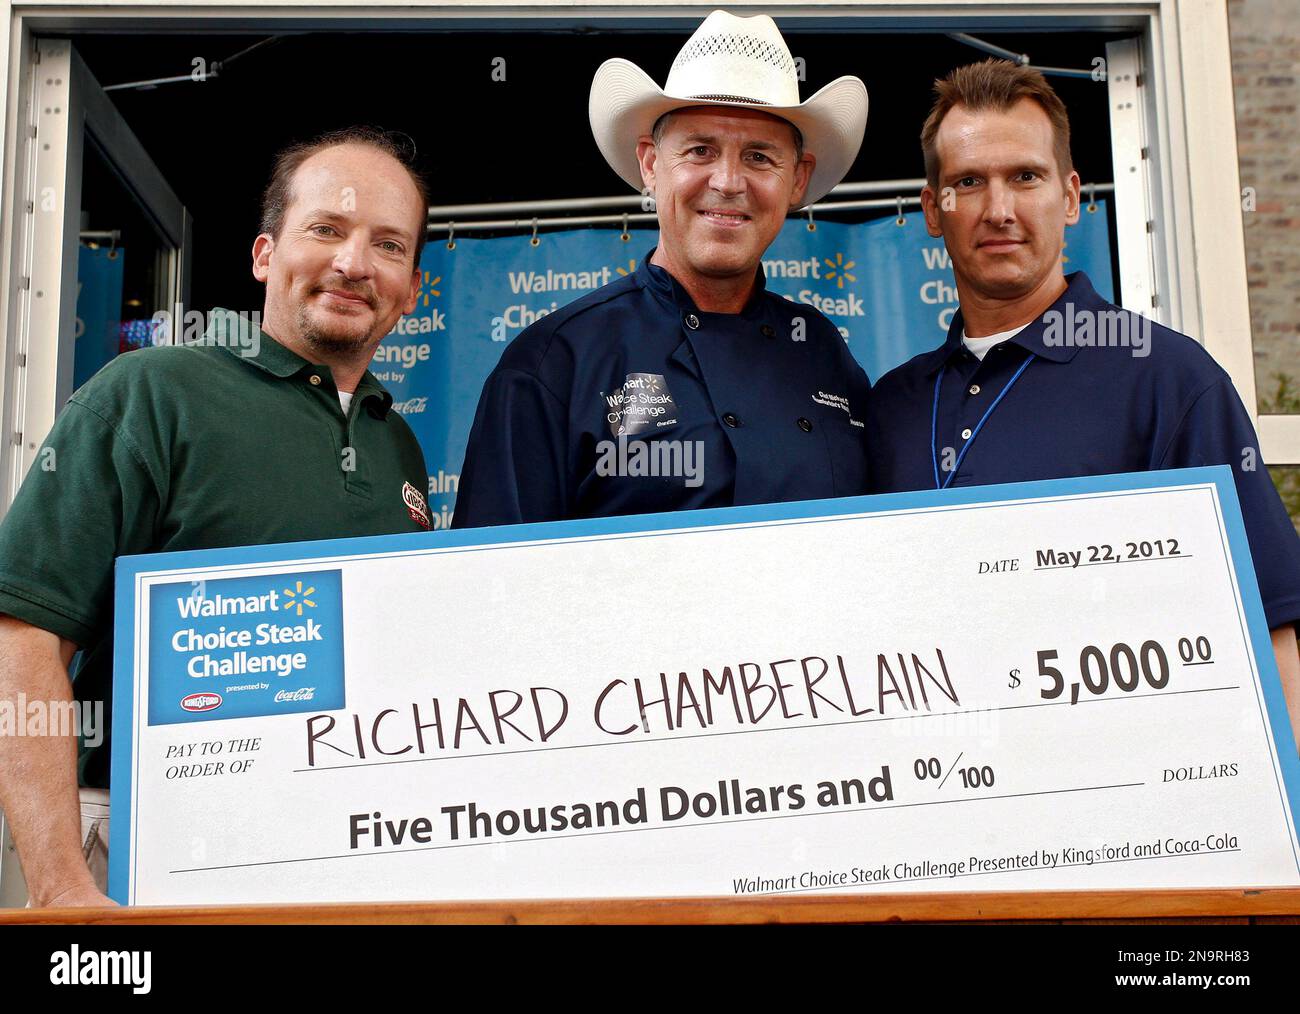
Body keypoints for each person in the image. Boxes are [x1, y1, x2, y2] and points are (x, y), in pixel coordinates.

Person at [0, 126, 435, 907]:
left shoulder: (397, 445)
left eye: (388, 246)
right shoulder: (150, 393)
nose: (353, 263)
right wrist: (63, 885)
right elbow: (21, 638)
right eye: (326, 230)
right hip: (136, 856)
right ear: (266, 255)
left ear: (409, 290)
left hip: (338, 859)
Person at [866, 60, 1300, 741]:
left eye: (1026, 177)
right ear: (932, 210)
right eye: (968, 182)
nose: (999, 209)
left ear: (1070, 197)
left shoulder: (1168, 380)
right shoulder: (890, 407)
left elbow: (1269, 629)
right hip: (939, 814)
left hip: (1118, 818)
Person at [452, 10, 872, 526]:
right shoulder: (552, 363)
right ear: (651, 164)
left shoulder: (824, 352)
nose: (728, 182)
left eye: (760, 157)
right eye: (700, 150)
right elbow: (492, 584)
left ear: (797, 180)